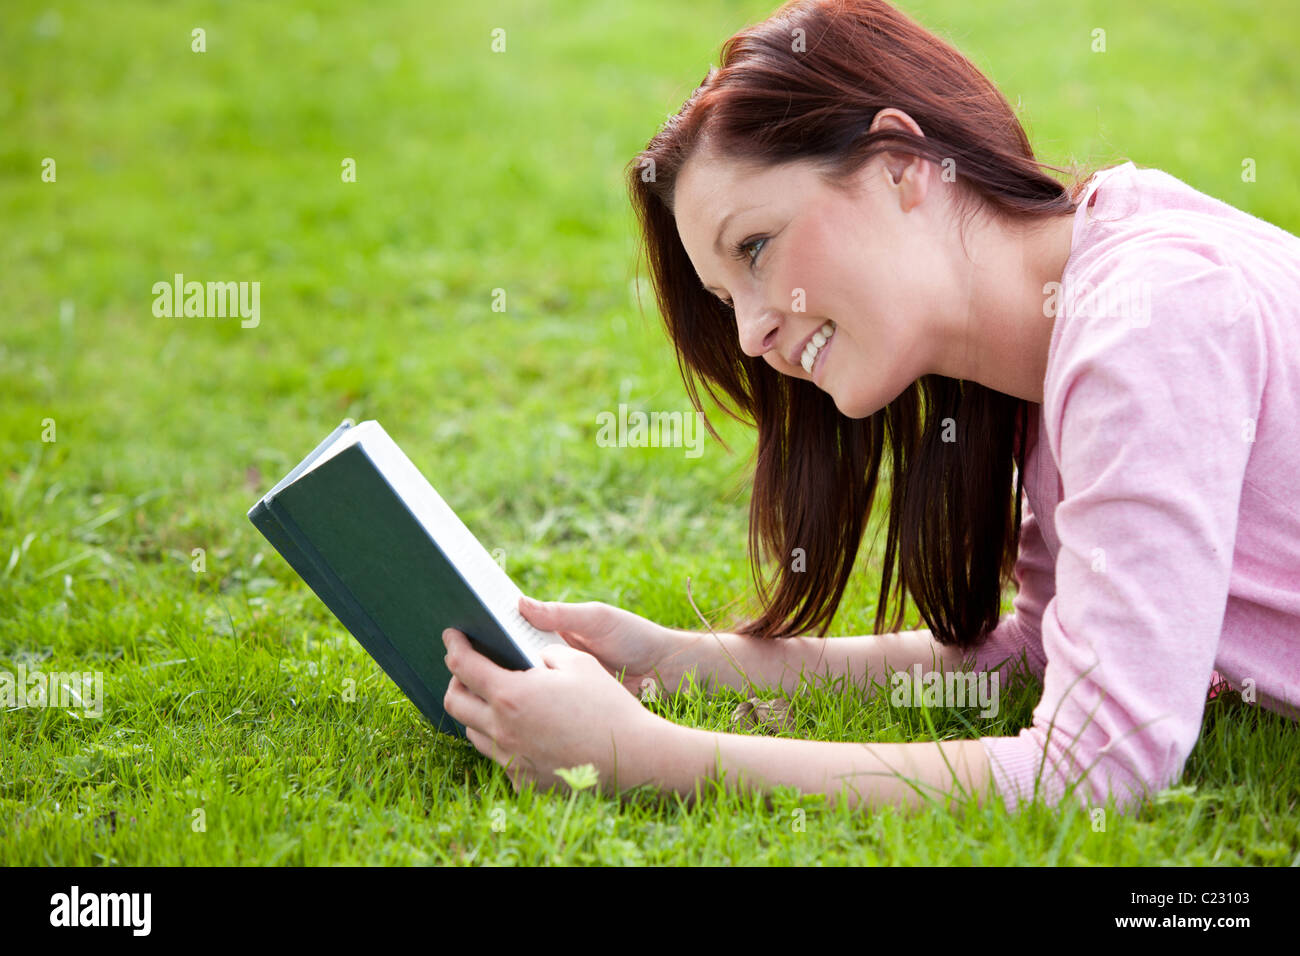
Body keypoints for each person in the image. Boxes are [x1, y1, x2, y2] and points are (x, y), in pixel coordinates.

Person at [442, 0, 1300, 814]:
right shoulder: (1061, 327)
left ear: (900, 164)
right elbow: (1040, 657)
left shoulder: (1146, 317)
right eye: (724, 295)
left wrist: (651, 756)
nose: (751, 334)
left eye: (756, 247)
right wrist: (686, 662)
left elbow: (1099, 767)